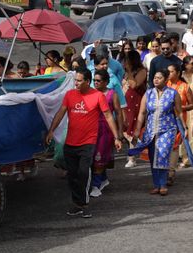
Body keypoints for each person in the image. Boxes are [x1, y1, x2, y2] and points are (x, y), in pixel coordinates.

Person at [45, 68, 123, 218]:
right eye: (75, 80)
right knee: (72, 175)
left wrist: (116, 137)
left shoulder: (98, 96)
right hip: (70, 142)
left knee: (83, 173)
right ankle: (77, 203)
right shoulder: (70, 95)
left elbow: (108, 116)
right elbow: (61, 113)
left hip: (88, 142)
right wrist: (51, 131)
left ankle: (84, 204)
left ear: (87, 81)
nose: (76, 83)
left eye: (79, 81)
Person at [126, 69, 183, 196]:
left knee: (162, 155)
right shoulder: (148, 93)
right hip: (151, 131)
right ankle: (156, 184)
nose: (156, 80)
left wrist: (183, 129)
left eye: (159, 78)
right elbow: (141, 113)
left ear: (166, 79)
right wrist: (136, 132)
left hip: (168, 130)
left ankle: (163, 185)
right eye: (155, 78)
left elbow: (179, 113)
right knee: (153, 158)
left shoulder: (173, 94)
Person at [90, 69, 124, 198]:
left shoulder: (112, 94)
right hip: (93, 129)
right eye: (94, 80)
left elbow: (119, 113)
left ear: (106, 82)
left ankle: (95, 185)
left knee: (99, 156)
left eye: (99, 81)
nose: (96, 83)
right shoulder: (91, 93)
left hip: (106, 129)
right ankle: (103, 179)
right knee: (93, 157)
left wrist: (120, 131)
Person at [167, 61, 193, 176]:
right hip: (165, 120)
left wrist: (180, 107)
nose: (168, 73)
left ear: (178, 73)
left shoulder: (185, 87)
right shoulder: (164, 85)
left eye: (171, 71)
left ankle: (171, 172)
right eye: (167, 71)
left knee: (174, 146)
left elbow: (192, 105)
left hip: (179, 121)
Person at [121, 49, 148, 169]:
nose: (125, 62)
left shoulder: (141, 71)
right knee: (124, 128)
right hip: (125, 102)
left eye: (127, 60)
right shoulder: (126, 73)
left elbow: (134, 85)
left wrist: (130, 72)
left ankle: (132, 157)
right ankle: (134, 148)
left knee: (131, 128)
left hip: (136, 102)